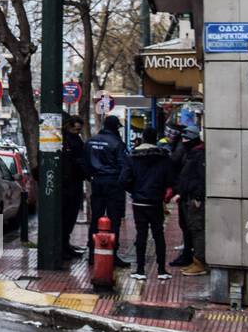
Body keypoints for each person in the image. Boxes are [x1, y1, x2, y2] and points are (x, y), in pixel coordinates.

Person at [120, 126, 175, 280]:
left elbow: (123, 180)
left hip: (139, 202)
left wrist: (135, 191)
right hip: (156, 201)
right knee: (158, 234)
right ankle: (162, 270)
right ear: (155, 138)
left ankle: (140, 270)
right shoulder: (164, 157)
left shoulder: (132, 157)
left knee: (141, 235)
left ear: (143, 138)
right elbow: (171, 179)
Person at [86, 114, 130, 268]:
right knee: (114, 220)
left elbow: (85, 163)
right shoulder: (117, 143)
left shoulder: (91, 141)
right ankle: (112, 253)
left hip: (97, 182)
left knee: (95, 219)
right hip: (112, 183)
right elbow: (124, 166)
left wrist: (91, 177)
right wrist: (121, 184)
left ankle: (92, 253)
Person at [175, 126, 208, 276]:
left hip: (194, 199)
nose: (184, 141)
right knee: (191, 228)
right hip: (187, 197)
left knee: (197, 229)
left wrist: (197, 197)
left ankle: (199, 263)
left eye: (187, 139)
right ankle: (194, 260)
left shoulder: (199, 155)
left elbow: (200, 178)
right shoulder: (192, 153)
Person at [165, 123, 194, 268]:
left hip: (184, 192)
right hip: (182, 191)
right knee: (185, 223)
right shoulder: (180, 146)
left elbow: (176, 164)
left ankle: (188, 253)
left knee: (186, 223)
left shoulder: (181, 148)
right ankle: (188, 249)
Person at [61, 115, 88, 258]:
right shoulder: (65, 141)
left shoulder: (75, 139)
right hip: (68, 184)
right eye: (75, 128)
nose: (77, 131)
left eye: (79, 129)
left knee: (70, 216)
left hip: (75, 181)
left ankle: (66, 244)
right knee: (66, 216)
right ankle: (63, 246)